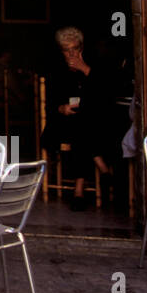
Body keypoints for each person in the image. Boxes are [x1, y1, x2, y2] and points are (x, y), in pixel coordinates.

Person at [43, 26, 115, 211]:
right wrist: (62, 108)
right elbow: (49, 105)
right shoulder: (56, 71)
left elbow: (106, 95)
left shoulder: (93, 67)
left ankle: (78, 191)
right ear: (61, 51)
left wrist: (85, 70)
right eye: (67, 50)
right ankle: (101, 165)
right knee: (81, 126)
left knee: (82, 126)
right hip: (63, 123)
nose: (71, 53)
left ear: (81, 48)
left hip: (89, 124)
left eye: (75, 48)